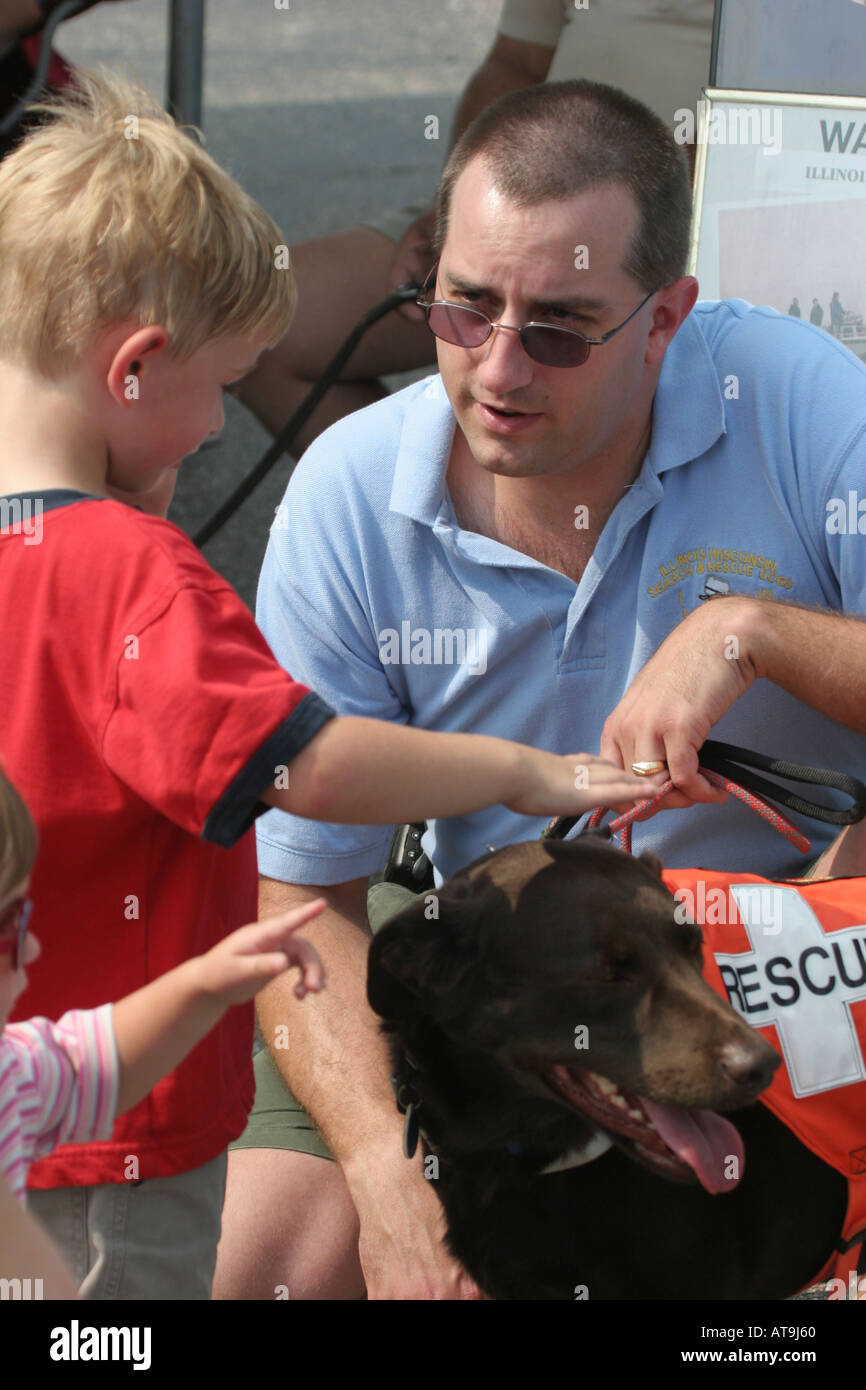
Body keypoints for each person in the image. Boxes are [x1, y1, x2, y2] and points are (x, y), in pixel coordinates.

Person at [0, 68, 658, 1299]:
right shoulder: (135, 576)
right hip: (110, 1139)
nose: (211, 436)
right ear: (136, 367)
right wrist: (529, 770)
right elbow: (309, 763)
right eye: (218, 393)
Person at [214, 78, 866, 1301]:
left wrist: (752, 631)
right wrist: (381, 1168)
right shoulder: (354, 492)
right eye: (462, 309)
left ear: (666, 317)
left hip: (797, 941)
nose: (499, 368)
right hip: (498, 968)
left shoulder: (795, 398)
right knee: (270, 1271)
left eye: (561, 327)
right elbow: (300, 890)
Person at [237, 0, 714, 456]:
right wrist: (449, 215)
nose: (499, 373)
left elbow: (778, 114)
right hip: (516, 201)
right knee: (255, 319)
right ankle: (433, 518)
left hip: (684, 225)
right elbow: (515, 63)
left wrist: (642, 196)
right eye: (470, 300)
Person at [0, 765, 325, 1203]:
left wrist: (207, 982)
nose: (34, 947)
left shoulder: (14, 1075)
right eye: (12, 923)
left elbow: (98, 1061)